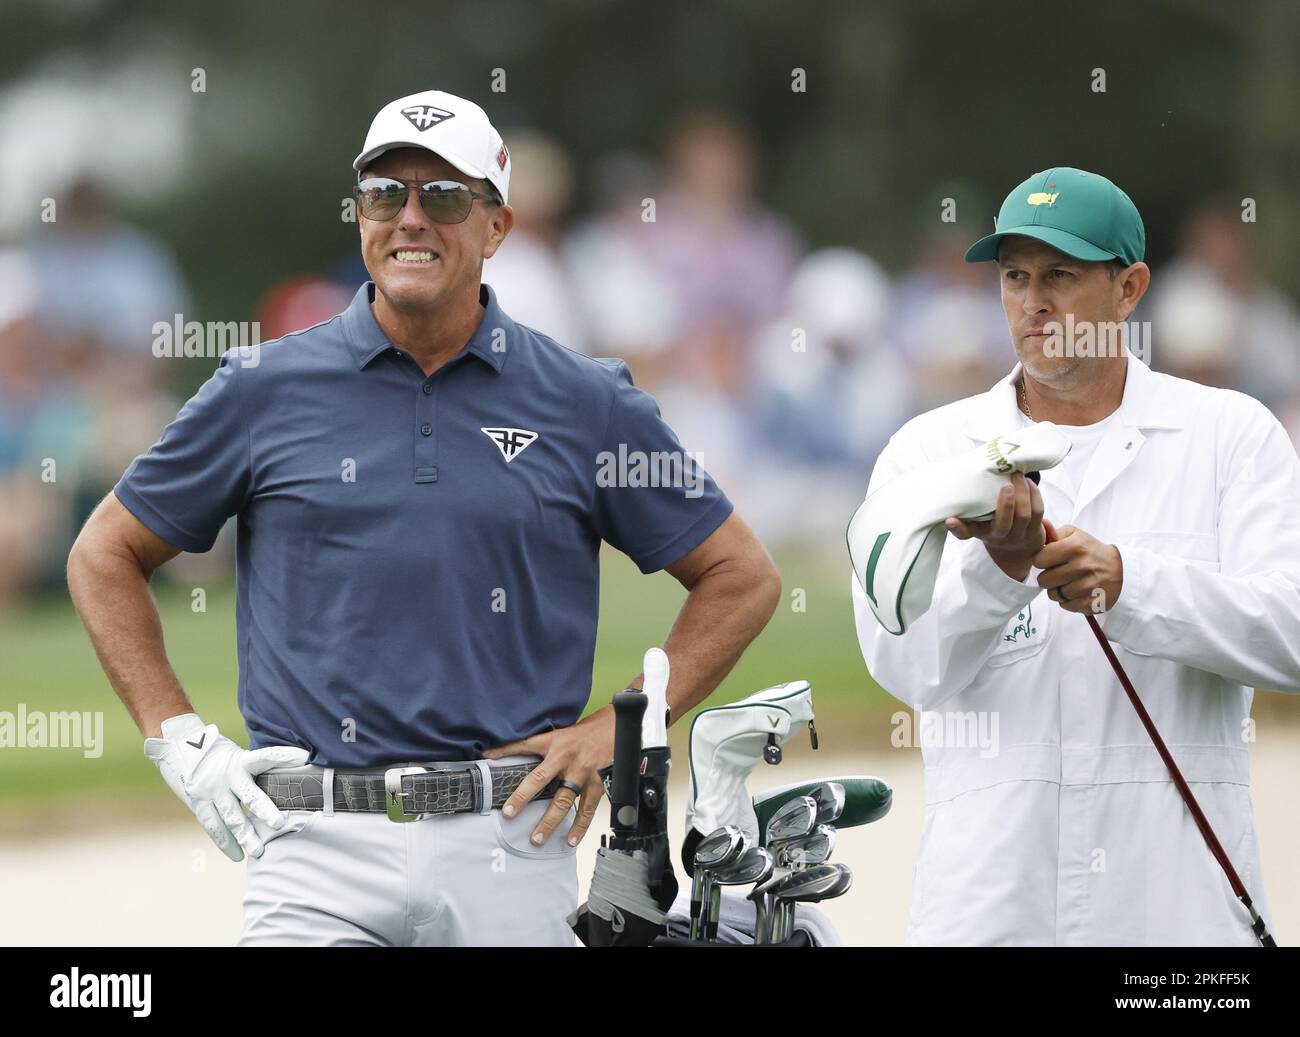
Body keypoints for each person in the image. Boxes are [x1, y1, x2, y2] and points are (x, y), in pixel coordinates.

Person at [67, 89, 780, 947]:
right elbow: (106, 549)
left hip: (511, 840)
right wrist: (173, 732)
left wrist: (613, 731)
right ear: (360, 214)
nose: (410, 218)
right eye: (384, 194)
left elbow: (741, 576)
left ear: (497, 226)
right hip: (312, 845)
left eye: (443, 196)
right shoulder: (261, 388)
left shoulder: (585, 400)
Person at [852, 167, 1300, 945]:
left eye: (1060, 274)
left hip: (1176, 909)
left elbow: (1292, 634)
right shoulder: (926, 448)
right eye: (1015, 276)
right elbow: (902, 663)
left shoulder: (1233, 434)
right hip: (990, 905)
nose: (1033, 302)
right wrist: (998, 571)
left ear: (1128, 288)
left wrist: (1131, 585)